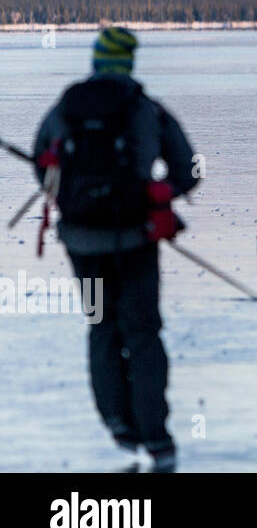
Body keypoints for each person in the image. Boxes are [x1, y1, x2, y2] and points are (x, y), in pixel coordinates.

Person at [32, 27, 200, 472]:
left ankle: (118, 423)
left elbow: (40, 161)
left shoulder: (65, 107)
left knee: (100, 327)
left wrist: (69, 189)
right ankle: (157, 437)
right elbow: (187, 168)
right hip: (135, 238)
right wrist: (162, 192)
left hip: (82, 242)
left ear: (94, 60)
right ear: (129, 63)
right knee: (142, 333)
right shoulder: (146, 108)